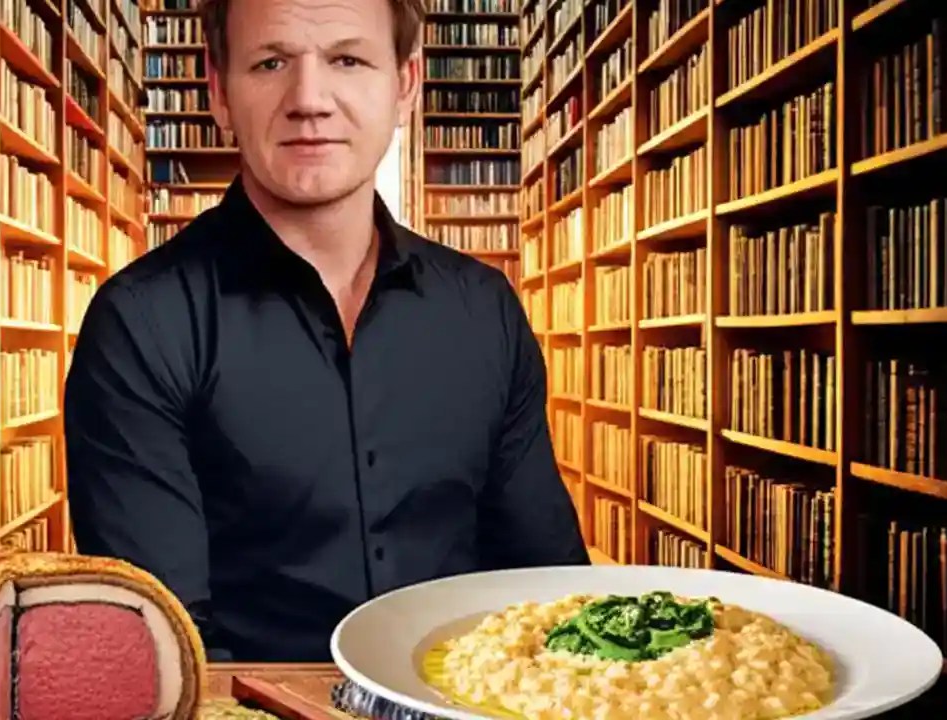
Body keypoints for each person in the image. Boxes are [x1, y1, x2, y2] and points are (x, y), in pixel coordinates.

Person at [64, 0, 589, 663]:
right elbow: (168, 652)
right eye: (271, 62)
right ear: (218, 90)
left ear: (405, 85)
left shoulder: (484, 310)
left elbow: (547, 590)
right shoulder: (138, 324)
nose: (309, 99)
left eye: (347, 59)